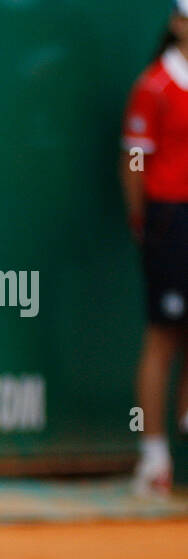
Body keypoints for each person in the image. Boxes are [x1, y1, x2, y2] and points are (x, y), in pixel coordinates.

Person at [124, 1, 188, 496]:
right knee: (163, 335)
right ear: (176, 23)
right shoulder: (154, 85)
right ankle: (154, 460)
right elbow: (135, 162)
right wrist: (145, 220)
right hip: (169, 217)